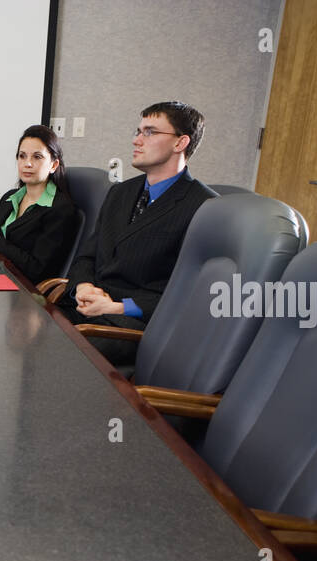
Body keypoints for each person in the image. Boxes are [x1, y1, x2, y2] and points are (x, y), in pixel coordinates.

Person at [62, 101, 217, 365]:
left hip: (133, 322)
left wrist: (116, 307)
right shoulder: (120, 192)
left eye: (150, 132)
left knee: (63, 358)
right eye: (137, 131)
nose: (137, 140)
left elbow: (189, 294)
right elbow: (87, 256)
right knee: (29, 327)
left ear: (180, 143)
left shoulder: (205, 207)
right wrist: (83, 286)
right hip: (87, 306)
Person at [0, 124, 77, 282]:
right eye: (22, 156)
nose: (27, 163)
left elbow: (37, 269)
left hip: (26, 294)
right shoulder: (11, 197)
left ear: (53, 165)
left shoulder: (60, 209)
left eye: (37, 157)